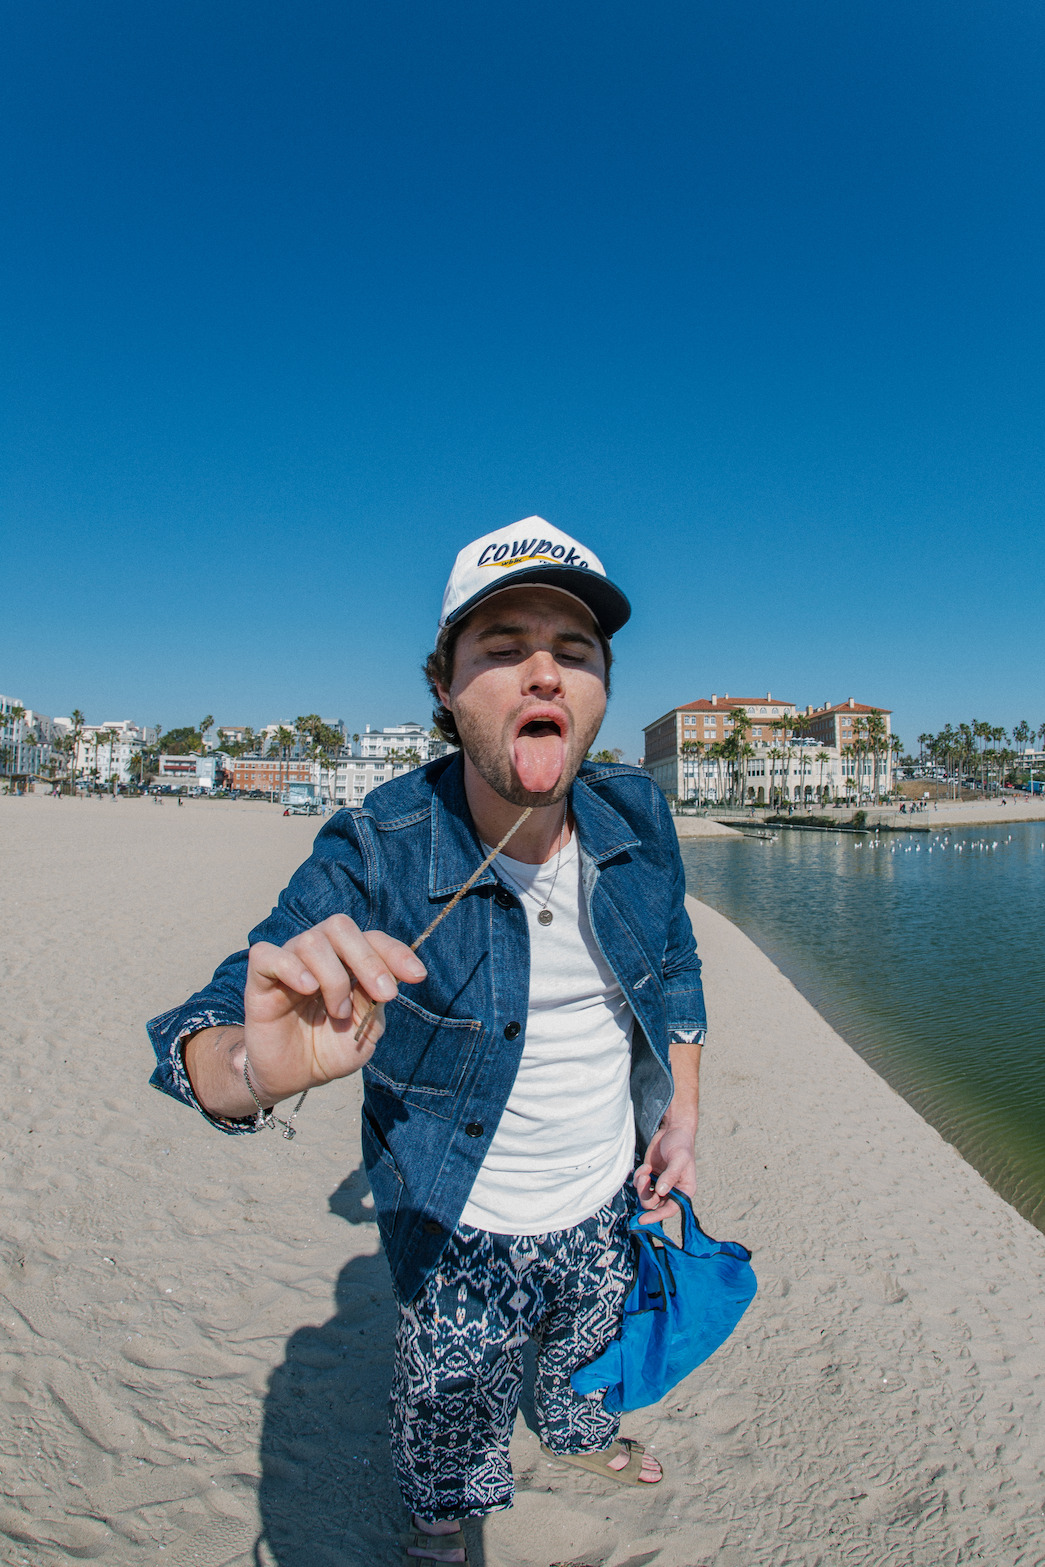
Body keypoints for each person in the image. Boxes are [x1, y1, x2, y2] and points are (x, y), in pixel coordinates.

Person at [147, 518, 706, 1562]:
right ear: (444, 687)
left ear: (599, 689)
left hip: (603, 1191)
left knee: (582, 1349)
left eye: (573, 650)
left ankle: (576, 1431)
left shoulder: (638, 810)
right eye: (501, 648)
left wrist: (681, 1102)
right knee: (445, 1404)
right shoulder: (380, 846)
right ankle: (440, 1514)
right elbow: (216, 1017)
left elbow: (672, 961)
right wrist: (251, 1071)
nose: (543, 669)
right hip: (454, 1218)